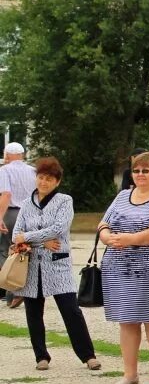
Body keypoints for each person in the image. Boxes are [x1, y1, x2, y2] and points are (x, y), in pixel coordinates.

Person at [11, 157, 100, 370]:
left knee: (71, 310)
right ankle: (41, 356)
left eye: (49, 179)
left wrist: (29, 237)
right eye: (41, 177)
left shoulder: (64, 201)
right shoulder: (25, 204)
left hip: (57, 264)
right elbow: (16, 235)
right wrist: (41, 241)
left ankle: (88, 355)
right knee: (33, 311)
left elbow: (59, 229)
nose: (44, 182)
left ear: (57, 181)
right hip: (31, 265)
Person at [98, 151, 149, 384]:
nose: (140, 175)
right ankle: (130, 373)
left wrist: (132, 239)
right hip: (119, 267)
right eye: (137, 170)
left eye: (146, 170)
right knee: (126, 320)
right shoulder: (122, 196)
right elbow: (104, 222)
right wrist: (107, 237)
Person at [0, 141, 36, 307]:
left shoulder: (5, 170)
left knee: (7, 251)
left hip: (13, 212)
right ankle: (24, 290)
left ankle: (12, 290)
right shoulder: (33, 170)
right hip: (32, 213)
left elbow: (6, 194)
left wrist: (0, 216)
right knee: (27, 250)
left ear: (6, 155)